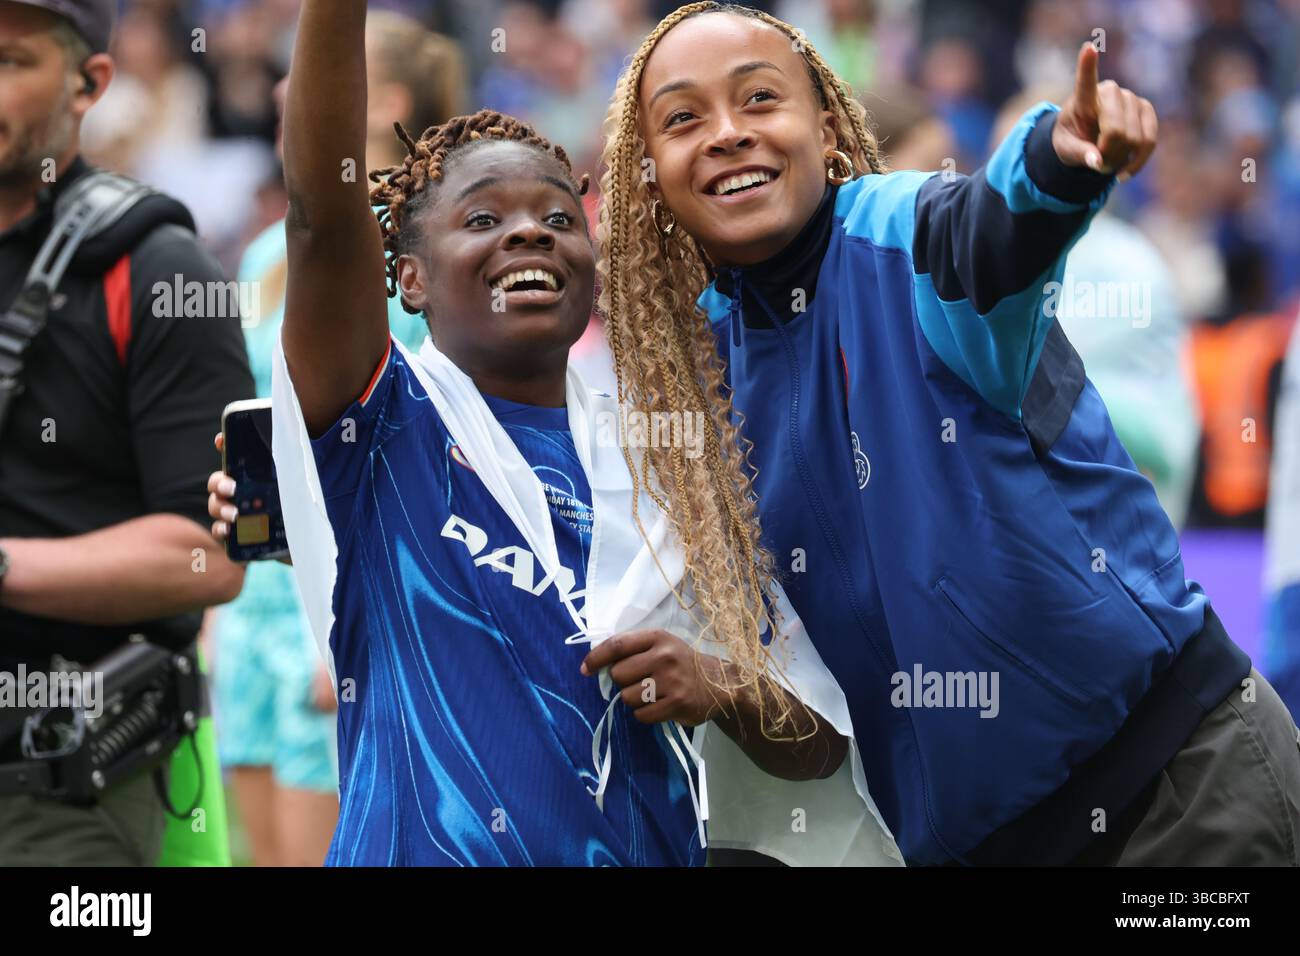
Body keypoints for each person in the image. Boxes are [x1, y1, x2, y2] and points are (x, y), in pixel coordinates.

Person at [595, 2, 1300, 865]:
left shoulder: (901, 235)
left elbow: (994, 230)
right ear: (648, 175)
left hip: (1175, 798)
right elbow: (816, 714)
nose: (729, 133)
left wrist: (1059, 160)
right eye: (683, 119)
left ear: (825, 128)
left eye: (760, 99)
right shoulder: (697, 378)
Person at [213, 0, 899, 867]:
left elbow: (820, 743)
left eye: (558, 217)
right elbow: (320, 213)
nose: (529, 230)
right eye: (481, 220)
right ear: (409, 280)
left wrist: (715, 685)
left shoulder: (671, 463)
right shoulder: (381, 427)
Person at [208, 10, 464, 869]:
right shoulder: (259, 258)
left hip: (345, 598)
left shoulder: (424, 257)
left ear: (380, 96)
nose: (283, 90)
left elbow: (428, 443)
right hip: (256, 602)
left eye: (301, 73)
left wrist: (350, 631)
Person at [0, 0, 251, 865]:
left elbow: (209, 554)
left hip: (61, 788)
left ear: (89, 84)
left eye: (7, 61)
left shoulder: (157, 267)